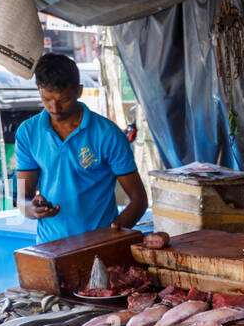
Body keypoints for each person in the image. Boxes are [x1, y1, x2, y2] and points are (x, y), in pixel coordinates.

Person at [15, 53, 147, 242]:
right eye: (46, 99)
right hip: (49, 247)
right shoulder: (28, 133)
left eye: (64, 99)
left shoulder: (108, 135)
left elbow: (139, 200)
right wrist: (32, 209)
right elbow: (22, 199)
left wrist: (113, 234)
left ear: (79, 91)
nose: (55, 108)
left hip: (98, 245)